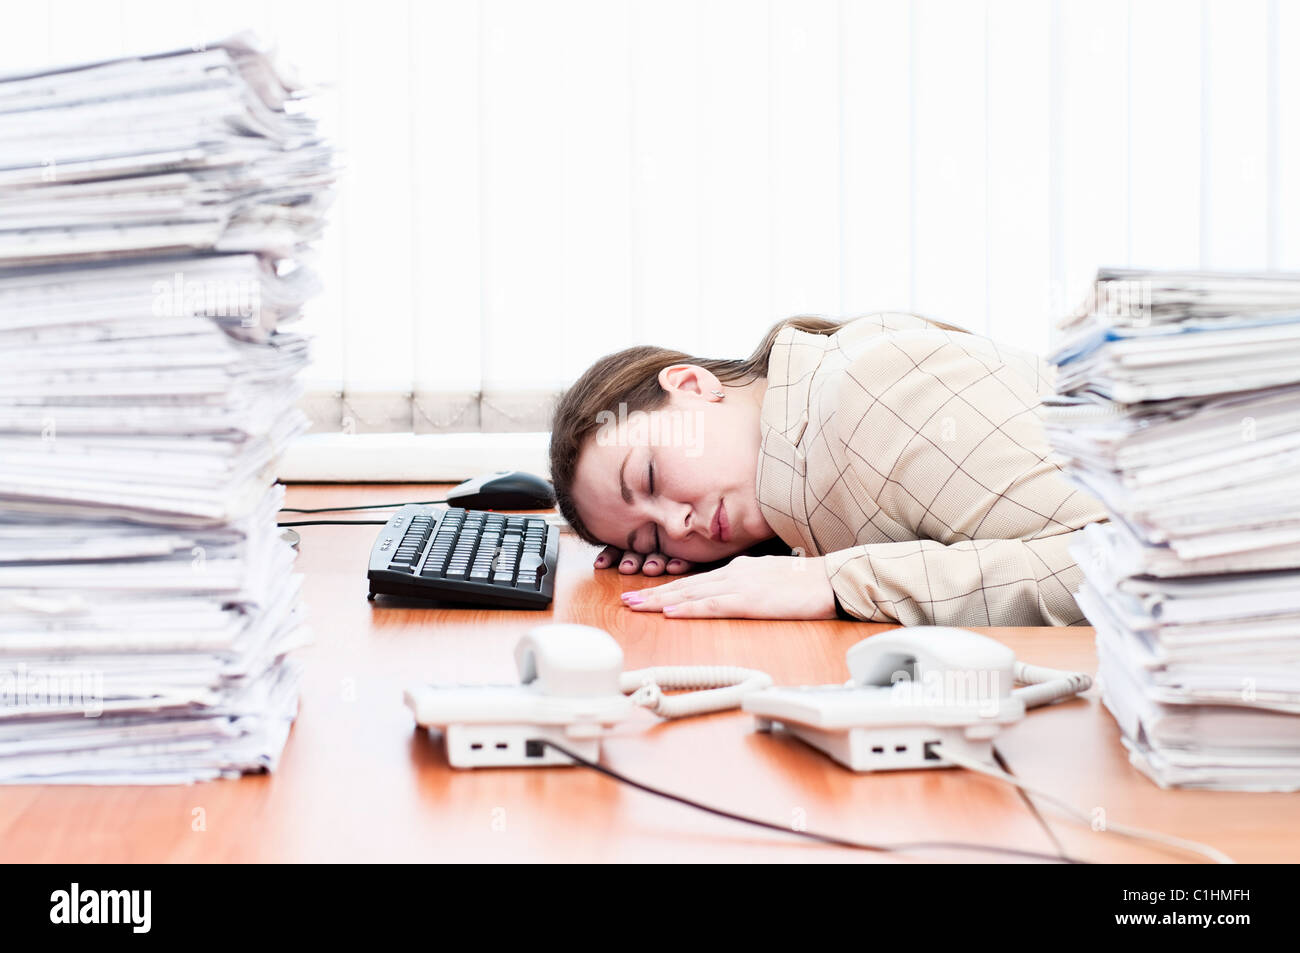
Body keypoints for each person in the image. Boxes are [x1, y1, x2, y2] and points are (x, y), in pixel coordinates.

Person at [547, 312, 1109, 625]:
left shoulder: (875, 394)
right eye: (649, 535)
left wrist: (835, 583)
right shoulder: (798, 479)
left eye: (649, 478)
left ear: (692, 386)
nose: (678, 527)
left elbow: (1121, 565)